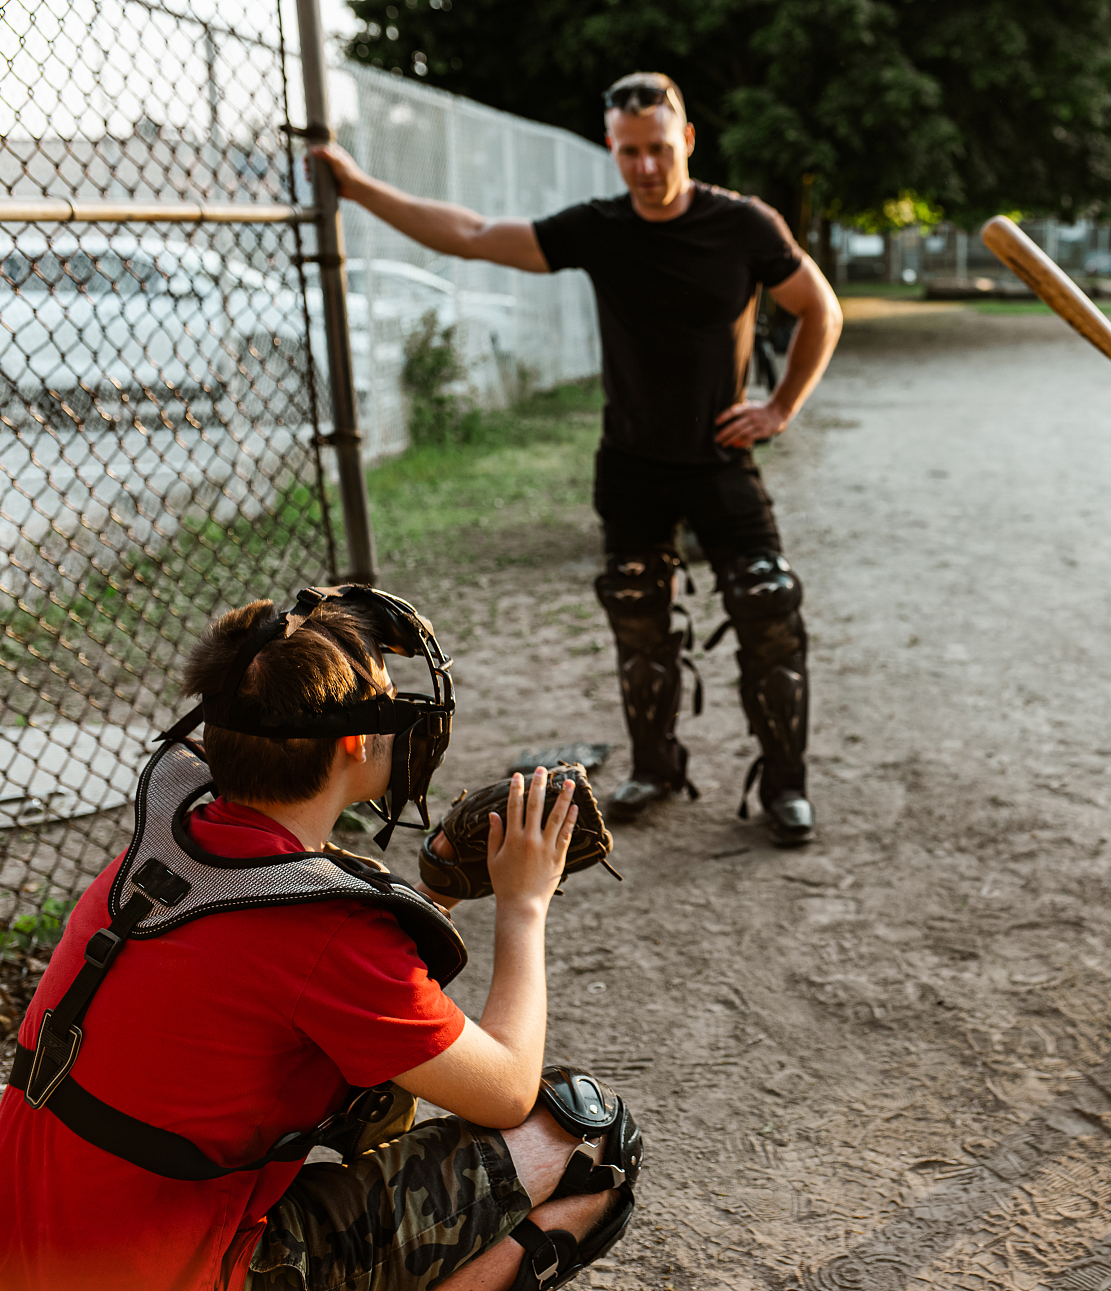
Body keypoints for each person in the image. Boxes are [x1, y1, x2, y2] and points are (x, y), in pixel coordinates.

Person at [0, 586, 641, 1291]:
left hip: (11, 1259)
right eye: (388, 694)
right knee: (587, 1135)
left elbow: (308, 986)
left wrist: (429, 896)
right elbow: (504, 1089)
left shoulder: (156, 861)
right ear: (354, 739)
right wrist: (523, 903)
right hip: (170, 1276)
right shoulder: (331, 934)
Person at [310, 71, 844, 848]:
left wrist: (782, 406)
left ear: (686, 140)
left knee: (768, 608)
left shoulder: (742, 225)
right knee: (639, 621)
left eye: (660, 149)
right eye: (630, 153)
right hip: (630, 462)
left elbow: (818, 308)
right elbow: (469, 233)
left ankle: (786, 787)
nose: (647, 168)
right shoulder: (601, 227)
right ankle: (656, 766)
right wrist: (358, 188)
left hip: (719, 458)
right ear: (613, 149)